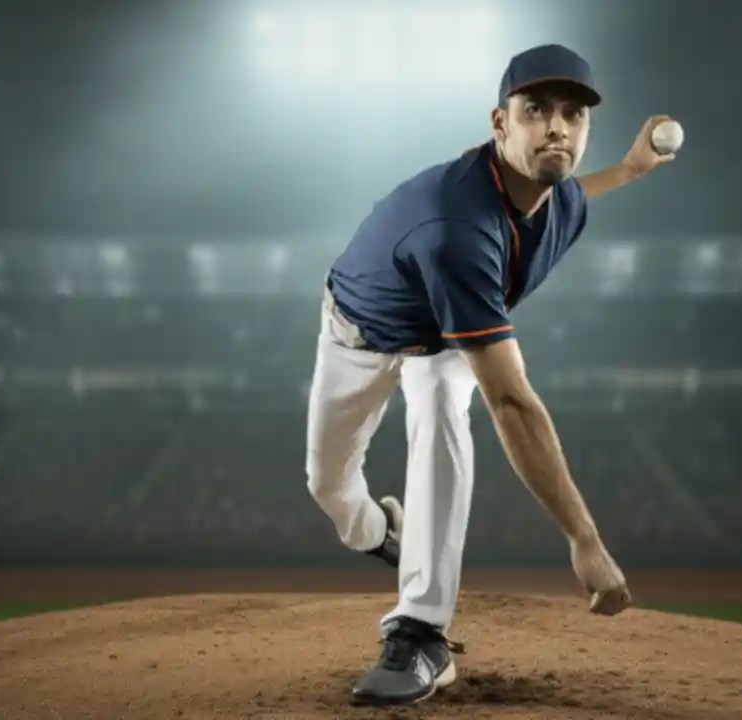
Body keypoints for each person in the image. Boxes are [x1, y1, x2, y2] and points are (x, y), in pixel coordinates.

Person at [303, 43, 677, 706]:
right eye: (536, 110)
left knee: (445, 410)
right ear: (500, 124)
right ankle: (381, 532)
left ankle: (421, 631)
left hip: (441, 341)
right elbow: (512, 401)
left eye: (573, 114)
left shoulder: (554, 200)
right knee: (328, 486)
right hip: (358, 334)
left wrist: (630, 168)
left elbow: (579, 190)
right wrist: (584, 540)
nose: (558, 127)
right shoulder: (458, 226)